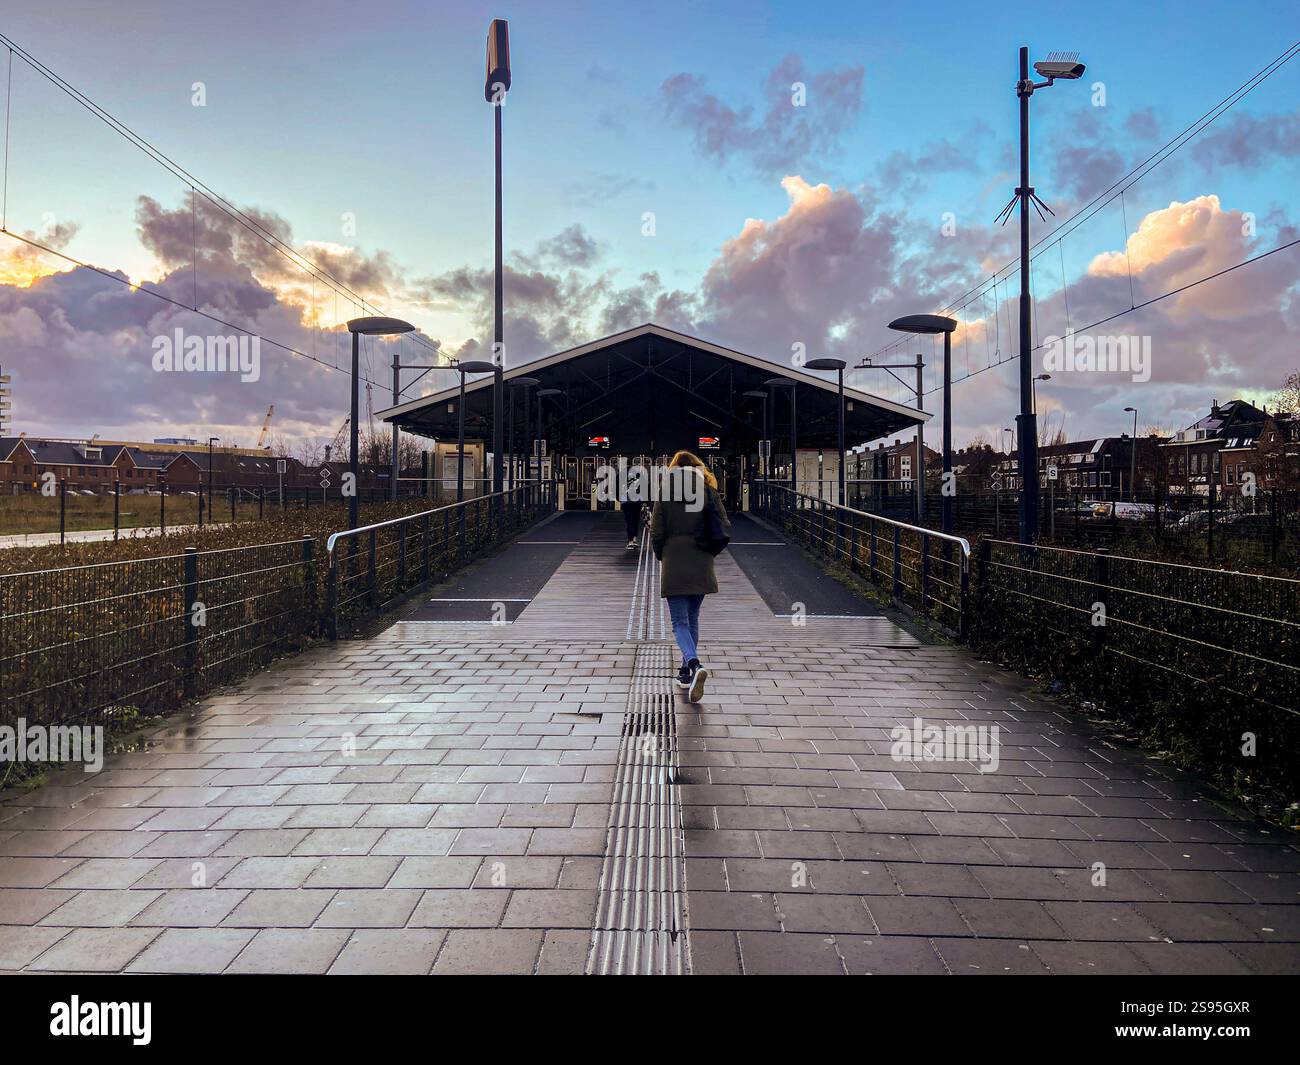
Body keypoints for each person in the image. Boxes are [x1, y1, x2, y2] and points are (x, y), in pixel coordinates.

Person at [650, 451, 730, 702]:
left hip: (674, 558)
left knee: (679, 622)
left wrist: (662, 554)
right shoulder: (708, 491)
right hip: (702, 558)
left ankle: (694, 665)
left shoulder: (665, 492)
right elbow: (723, 524)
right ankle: (685, 672)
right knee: (693, 618)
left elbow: (656, 531)